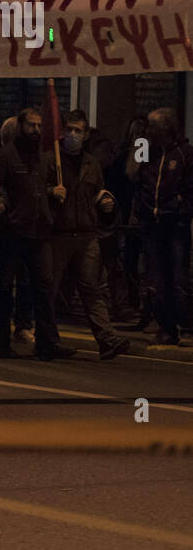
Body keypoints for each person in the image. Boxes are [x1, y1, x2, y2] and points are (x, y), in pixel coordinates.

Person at [0, 106, 72, 360]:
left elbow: (41, 188)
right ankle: (0, 342)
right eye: (31, 125)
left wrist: (53, 195)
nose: (36, 131)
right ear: (20, 127)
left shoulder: (44, 157)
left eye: (39, 126)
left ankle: (48, 343)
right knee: (2, 289)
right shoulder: (5, 156)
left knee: (44, 288)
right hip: (11, 233)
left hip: (39, 232)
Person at [49, 113, 129, 360]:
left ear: (85, 135)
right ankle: (48, 340)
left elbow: (98, 195)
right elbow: (35, 194)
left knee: (92, 289)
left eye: (78, 131)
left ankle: (106, 339)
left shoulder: (91, 164)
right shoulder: (52, 161)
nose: (73, 135)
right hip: (58, 236)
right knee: (50, 290)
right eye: (70, 130)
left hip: (86, 236)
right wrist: (51, 192)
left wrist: (105, 206)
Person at [128, 107, 193, 345]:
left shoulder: (185, 153)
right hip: (152, 224)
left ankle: (185, 326)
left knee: (178, 278)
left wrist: (180, 209)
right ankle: (166, 327)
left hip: (174, 224)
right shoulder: (149, 152)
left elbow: (190, 189)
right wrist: (139, 148)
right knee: (157, 278)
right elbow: (133, 175)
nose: (149, 129)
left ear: (166, 127)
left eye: (153, 125)